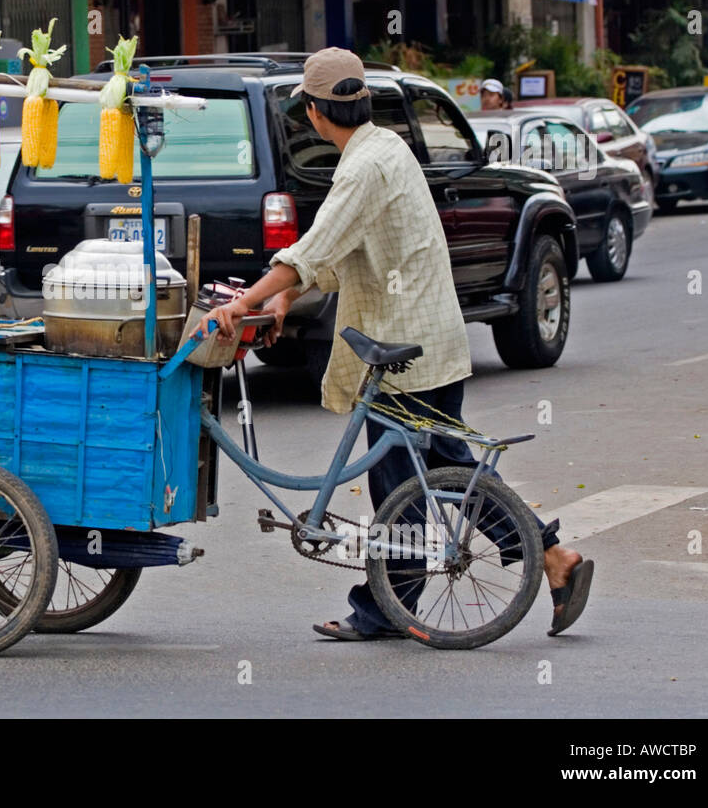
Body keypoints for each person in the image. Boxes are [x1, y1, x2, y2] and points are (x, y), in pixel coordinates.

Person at [197, 48, 593, 640]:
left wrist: (243, 302)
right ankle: (546, 557)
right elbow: (345, 248)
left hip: (406, 348)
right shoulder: (385, 148)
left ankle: (393, 604)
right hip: (426, 336)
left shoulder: (362, 168)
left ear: (311, 112)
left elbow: (317, 245)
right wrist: (283, 298)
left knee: (406, 480)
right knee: (440, 465)